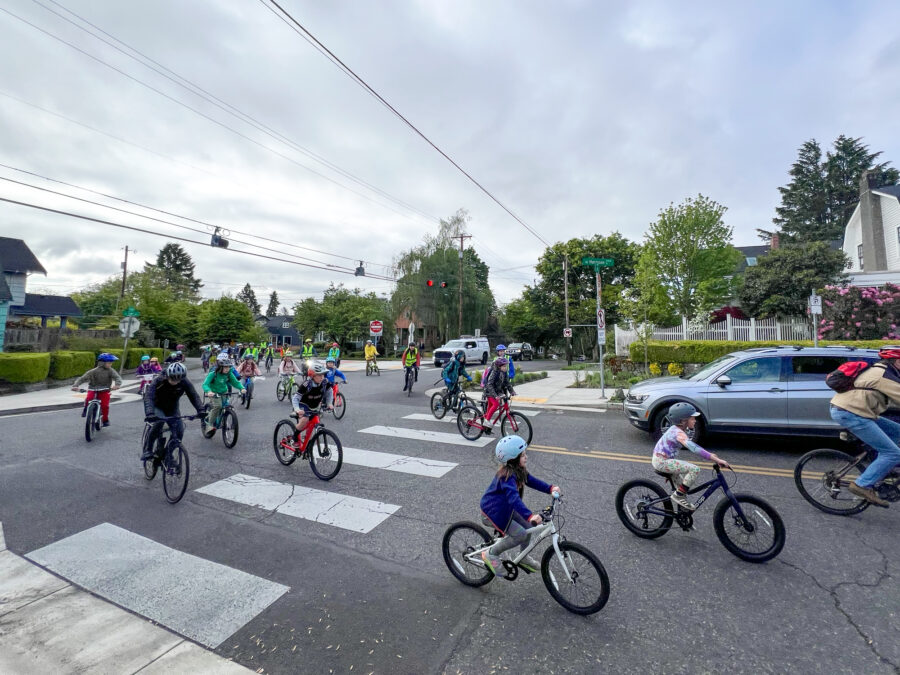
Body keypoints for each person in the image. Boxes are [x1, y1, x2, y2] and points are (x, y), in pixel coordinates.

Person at [480, 435, 560, 576]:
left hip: (506, 509)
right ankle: (490, 554)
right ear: (512, 459)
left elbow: (532, 481)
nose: (526, 457)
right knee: (520, 535)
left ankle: (523, 557)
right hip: (494, 513)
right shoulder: (507, 476)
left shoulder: (518, 470)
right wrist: (529, 515)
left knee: (529, 527)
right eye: (522, 455)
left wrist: (550, 488)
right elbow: (514, 499)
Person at [830, 346, 900, 507]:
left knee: (897, 432)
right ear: (897, 361)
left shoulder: (885, 371)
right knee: (894, 454)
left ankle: (881, 468)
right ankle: (862, 484)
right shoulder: (884, 376)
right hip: (850, 413)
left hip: (859, 412)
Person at [652, 402, 731, 510]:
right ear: (683, 421)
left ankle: (683, 516)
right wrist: (715, 459)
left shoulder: (677, 429)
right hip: (662, 462)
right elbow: (694, 448)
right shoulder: (678, 433)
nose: (695, 420)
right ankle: (678, 496)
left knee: (683, 488)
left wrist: (711, 455)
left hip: (663, 460)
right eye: (693, 418)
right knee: (694, 469)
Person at [141, 362, 205, 461]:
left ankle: (168, 453)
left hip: (172, 407)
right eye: (172, 379)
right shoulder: (158, 380)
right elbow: (149, 397)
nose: (175, 382)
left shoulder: (184, 382)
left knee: (179, 430)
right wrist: (150, 413)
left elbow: (193, 396)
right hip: (157, 406)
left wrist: (201, 410)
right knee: (159, 423)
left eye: (178, 380)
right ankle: (148, 450)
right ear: (167, 375)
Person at [72, 353, 122, 427]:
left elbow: (117, 378)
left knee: (105, 406)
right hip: (93, 389)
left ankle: (105, 420)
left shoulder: (111, 371)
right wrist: (75, 386)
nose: (110, 364)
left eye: (111, 363)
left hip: (105, 390)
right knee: (89, 398)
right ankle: (86, 409)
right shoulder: (93, 371)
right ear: (102, 363)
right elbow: (82, 379)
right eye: (109, 363)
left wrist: (117, 385)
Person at [290, 362, 332, 439]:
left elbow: (329, 392)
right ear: (312, 375)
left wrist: (329, 403)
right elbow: (296, 398)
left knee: (314, 421)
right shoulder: (306, 385)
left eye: (323, 375)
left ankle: (306, 439)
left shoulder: (325, 382)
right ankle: (295, 437)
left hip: (315, 406)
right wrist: (297, 409)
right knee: (305, 419)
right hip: (303, 405)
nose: (322, 377)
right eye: (319, 375)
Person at [201, 357, 244, 431]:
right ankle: (209, 424)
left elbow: (235, 382)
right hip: (214, 393)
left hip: (224, 392)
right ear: (220, 367)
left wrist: (242, 388)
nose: (227, 369)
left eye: (228, 367)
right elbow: (205, 384)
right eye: (225, 367)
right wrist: (209, 391)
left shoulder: (229, 374)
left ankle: (226, 420)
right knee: (218, 406)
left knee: (227, 406)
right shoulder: (213, 374)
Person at [482, 357, 517, 433]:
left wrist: (512, 392)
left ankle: (486, 425)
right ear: (499, 366)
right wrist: (495, 396)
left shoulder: (504, 373)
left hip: (497, 392)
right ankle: (487, 421)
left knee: (490, 407)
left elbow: (507, 383)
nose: (505, 368)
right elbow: (489, 384)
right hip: (489, 391)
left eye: (506, 366)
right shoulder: (494, 372)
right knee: (496, 404)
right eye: (504, 366)